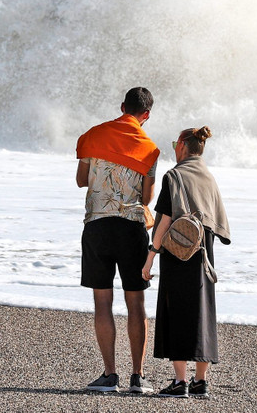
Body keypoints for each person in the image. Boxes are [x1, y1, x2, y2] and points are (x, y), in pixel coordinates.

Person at [76, 87, 160, 394]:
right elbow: (148, 197)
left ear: (122, 106)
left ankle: (110, 375)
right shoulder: (149, 149)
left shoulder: (93, 135)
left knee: (102, 301)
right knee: (135, 302)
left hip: (98, 225)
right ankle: (138, 377)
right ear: (146, 115)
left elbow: (81, 180)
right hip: (130, 228)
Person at [142, 126, 230, 399]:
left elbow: (164, 221)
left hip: (179, 253)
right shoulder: (209, 177)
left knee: (176, 311)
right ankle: (200, 381)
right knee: (202, 313)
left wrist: (150, 257)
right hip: (205, 254)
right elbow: (218, 225)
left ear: (181, 145)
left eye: (174, 144)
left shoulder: (174, 176)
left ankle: (180, 382)